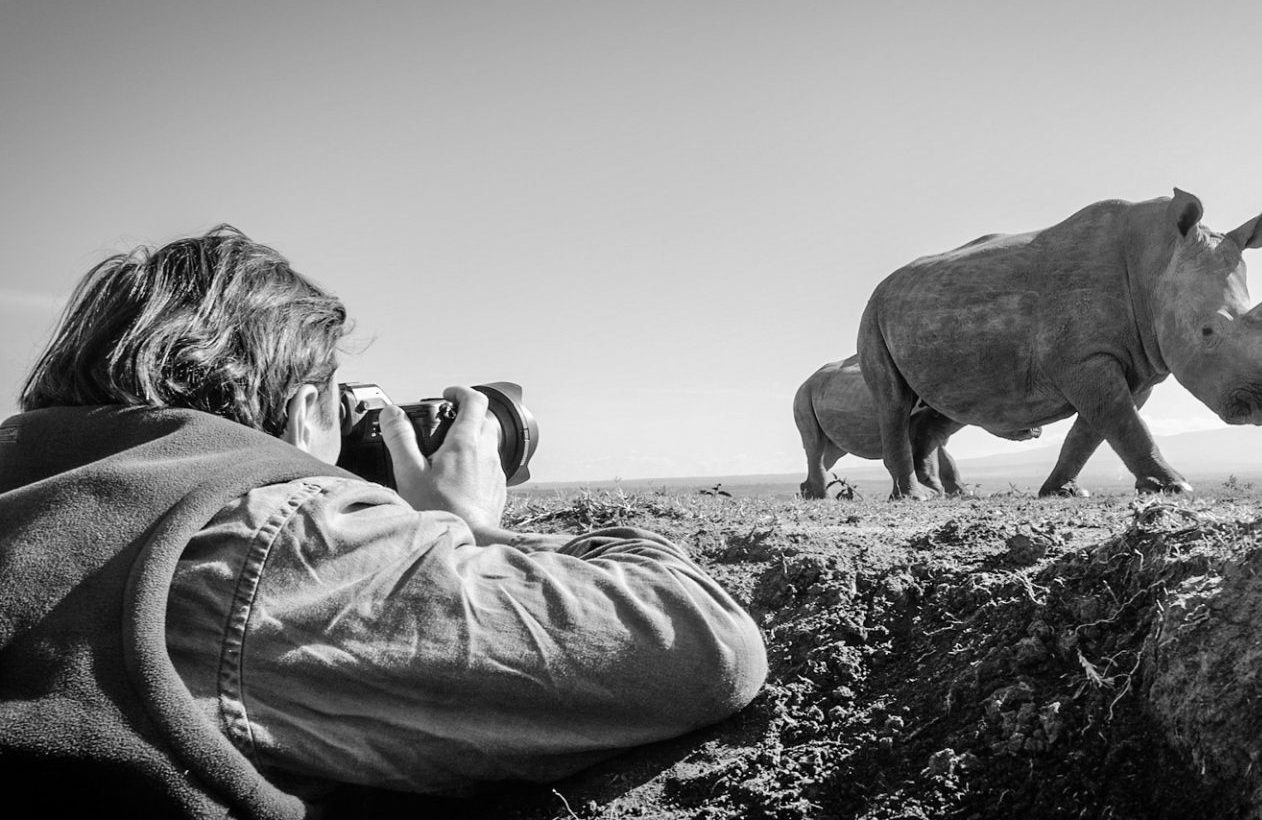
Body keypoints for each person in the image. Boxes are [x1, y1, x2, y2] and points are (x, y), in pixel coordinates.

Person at [0, 226, 768, 818]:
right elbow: (699, 647)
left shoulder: (34, 496)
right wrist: (467, 525)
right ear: (306, 414)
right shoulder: (272, 538)